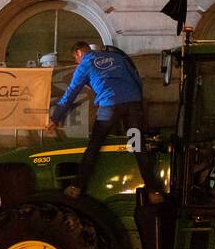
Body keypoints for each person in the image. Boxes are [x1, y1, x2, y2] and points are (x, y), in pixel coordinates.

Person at [50, 41, 162, 203]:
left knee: (94, 145)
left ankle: (76, 187)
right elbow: (136, 78)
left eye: (76, 59)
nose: (76, 63)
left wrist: (55, 118)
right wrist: (137, 101)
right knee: (138, 145)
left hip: (109, 107)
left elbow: (70, 93)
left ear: (79, 54)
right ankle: (154, 192)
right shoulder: (117, 57)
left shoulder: (85, 65)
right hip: (133, 104)